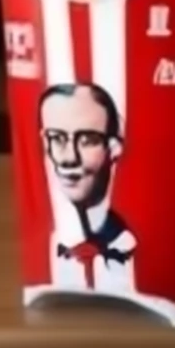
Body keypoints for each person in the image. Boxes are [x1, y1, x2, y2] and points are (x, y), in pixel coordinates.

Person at [39, 82, 136, 292]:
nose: (69, 158)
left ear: (114, 148)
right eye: (56, 138)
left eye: (87, 140)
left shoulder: (131, 247)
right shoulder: (39, 253)